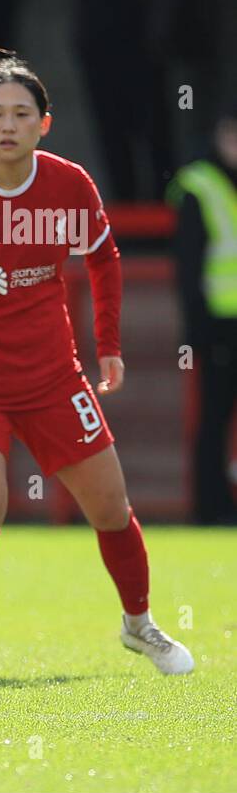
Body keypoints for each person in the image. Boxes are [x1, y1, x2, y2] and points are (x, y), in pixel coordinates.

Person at [0, 53, 194, 679]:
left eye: (22, 114)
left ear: (43, 124)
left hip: (54, 377)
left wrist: (108, 344)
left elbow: (104, 259)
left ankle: (140, 626)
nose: (8, 125)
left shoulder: (69, 185)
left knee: (110, 507)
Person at [167, 108, 237, 524]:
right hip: (218, 327)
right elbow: (189, 269)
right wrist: (195, 332)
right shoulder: (199, 185)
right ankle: (210, 507)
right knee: (213, 418)